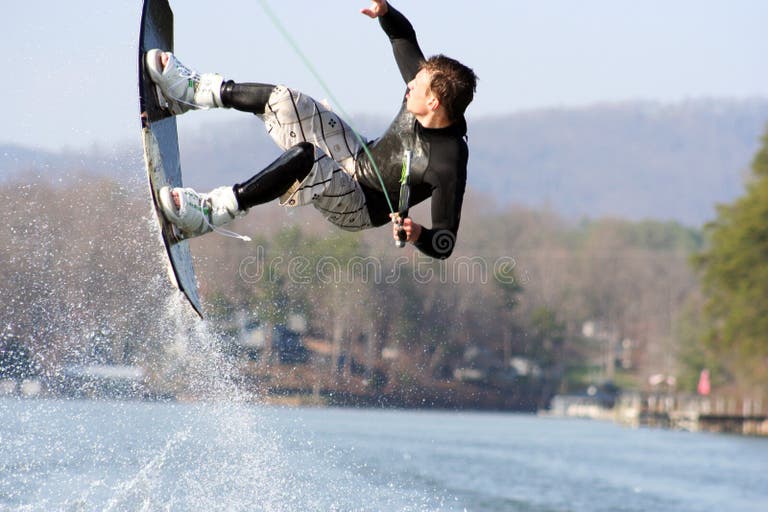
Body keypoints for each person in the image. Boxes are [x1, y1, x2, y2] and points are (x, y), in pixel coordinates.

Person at [146, 0, 476, 259]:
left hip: (360, 205)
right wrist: (385, 11)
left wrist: (416, 232)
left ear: (434, 103)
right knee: (287, 100)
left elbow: (444, 242)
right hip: (357, 155)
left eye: (418, 86)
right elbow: (403, 36)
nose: (411, 85)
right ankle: (188, 93)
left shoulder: (447, 162)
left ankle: (212, 211)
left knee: (309, 160)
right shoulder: (425, 88)